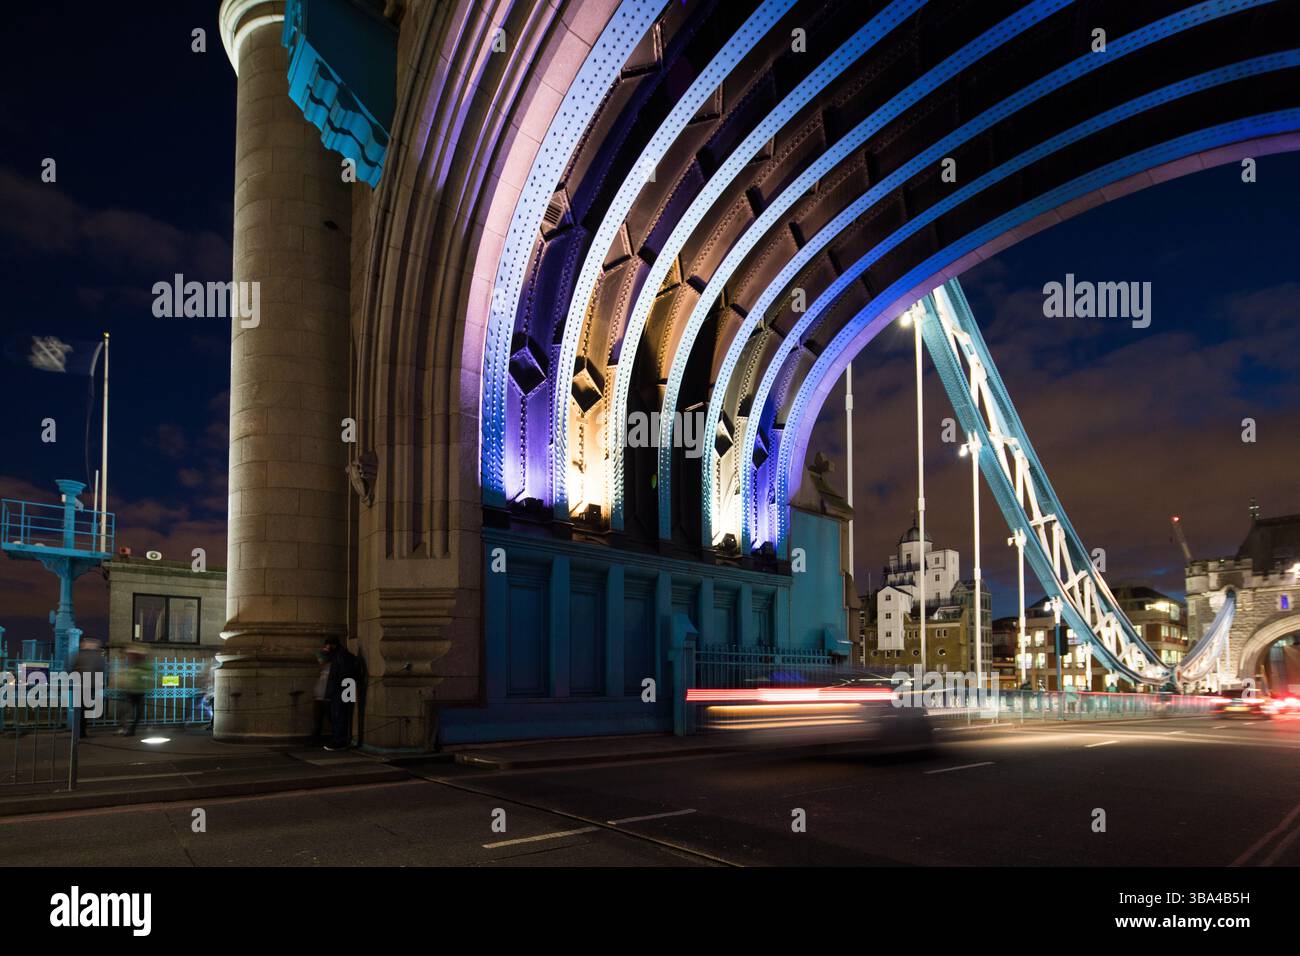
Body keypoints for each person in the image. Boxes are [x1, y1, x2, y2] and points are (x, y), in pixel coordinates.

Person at [321, 637, 360, 751]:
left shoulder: (341, 655)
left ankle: (340, 741)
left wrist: (335, 689)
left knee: (340, 715)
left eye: (327, 646)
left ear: (332, 645)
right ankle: (338, 739)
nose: (325, 648)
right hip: (342, 689)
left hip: (343, 690)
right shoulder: (339, 655)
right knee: (337, 715)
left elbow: (343, 675)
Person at [72, 636, 106, 738]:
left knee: (80, 708)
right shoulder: (98, 656)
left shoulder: (79, 654)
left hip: (80, 684)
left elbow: (73, 667)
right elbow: (102, 669)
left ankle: (79, 729)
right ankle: (82, 729)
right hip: (91, 685)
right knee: (86, 708)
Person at [117, 649, 152, 737]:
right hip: (132, 691)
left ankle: (130, 728)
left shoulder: (141, 666)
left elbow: (147, 677)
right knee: (129, 712)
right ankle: (128, 728)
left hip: (137, 691)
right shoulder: (132, 665)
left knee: (134, 712)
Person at [310, 650, 331, 741]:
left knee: (330, 719)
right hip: (319, 698)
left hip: (326, 698)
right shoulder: (322, 669)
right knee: (317, 721)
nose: (319, 661)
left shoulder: (329, 668)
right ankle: (315, 738)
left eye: (320, 659)